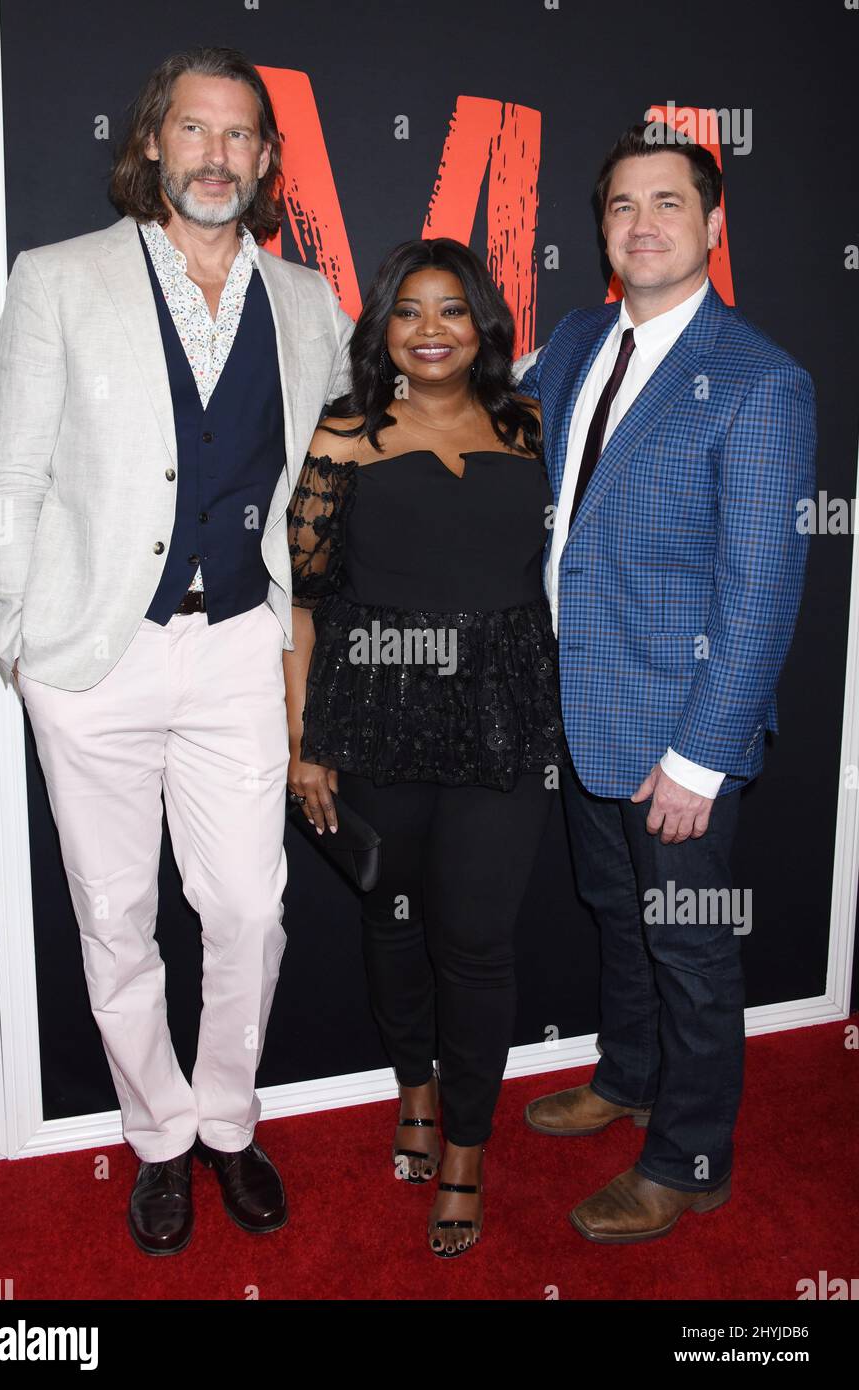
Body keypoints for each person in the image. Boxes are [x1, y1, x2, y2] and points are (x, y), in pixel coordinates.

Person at [0, 46, 354, 1256]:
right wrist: (18, 639)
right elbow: (10, 476)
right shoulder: (60, 278)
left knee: (248, 905)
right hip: (95, 656)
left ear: (265, 160)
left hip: (240, 643)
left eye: (241, 137)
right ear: (154, 141)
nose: (217, 156)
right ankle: (158, 1137)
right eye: (196, 131)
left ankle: (230, 1122)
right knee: (115, 911)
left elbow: (322, 490)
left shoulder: (307, 303)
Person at [516, 123, 816, 1243]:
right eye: (623, 207)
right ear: (603, 229)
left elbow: (762, 591)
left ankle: (691, 1157)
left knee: (687, 943)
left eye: (670, 204)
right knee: (615, 913)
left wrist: (700, 756)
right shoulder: (582, 333)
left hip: (681, 726)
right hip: (582, 704)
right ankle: (629, 1077)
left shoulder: (760, 382)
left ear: (714, 224)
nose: (644, 224)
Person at [283, 237, 566, 1257]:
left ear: (485, 324)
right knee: (394, 917)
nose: (433, 327)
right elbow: (305, 601)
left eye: (453, 308)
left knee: (478, 940)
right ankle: (414, 1084)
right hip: (375, 709)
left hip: (505, 709)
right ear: (385, 330)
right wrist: (305, 740)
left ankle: (468, 1148)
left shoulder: (530, 424)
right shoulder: (348, 431)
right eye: (410, 310)